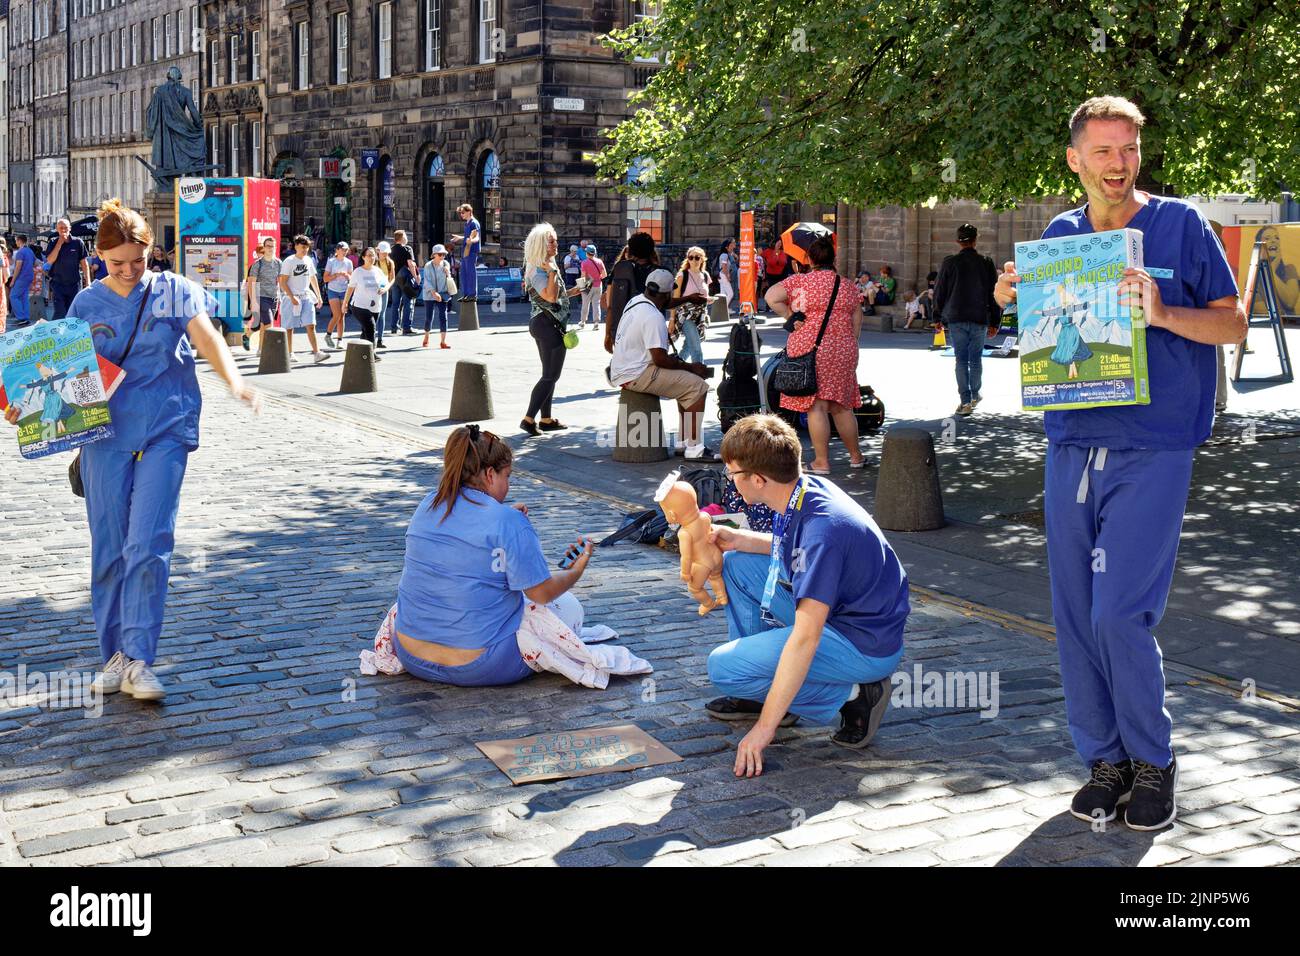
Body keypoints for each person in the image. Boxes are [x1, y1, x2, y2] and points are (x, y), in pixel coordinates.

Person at [995, 95, 1245, 831]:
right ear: (1074, 159)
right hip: (1071, 442)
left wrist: (1165, 312)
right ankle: (1105, 760)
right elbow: (1051, 334)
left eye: (1128, 149)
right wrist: (1015, 298)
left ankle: (1154, 759)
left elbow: (1232, 321)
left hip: (1155, 447)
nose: (1117, 164)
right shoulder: (1060, 235)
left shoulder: (1180, 224)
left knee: (1119, 614)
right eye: (1102, 151)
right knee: (1074, 615)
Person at [2, 199, 261, 702]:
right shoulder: (84, 306)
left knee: (149, 543)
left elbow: (208, 339)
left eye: (137, 262)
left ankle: (140, 657)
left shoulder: (175, 292)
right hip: (104, 436)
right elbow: (54, 380)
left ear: (150, 252)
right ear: (99, 258)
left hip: (166, 428)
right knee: (110, 546)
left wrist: (235, 383)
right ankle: (113, 655)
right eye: (116, 264)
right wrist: (23, 409)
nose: (127, 272)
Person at [705, 414, 909, 775]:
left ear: (758, 479)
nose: (730, 482)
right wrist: (740, 539)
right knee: (737, 563)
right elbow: (794, 548)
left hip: (864, 643)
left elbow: (805, 638)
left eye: (732, 474)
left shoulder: (822, 530)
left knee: (723, 667)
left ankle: (857, 696)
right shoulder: (801, 490)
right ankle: (767, 695)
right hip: (848, 618)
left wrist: (762, 731)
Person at [392, 425, 596, 686]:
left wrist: (504, 518)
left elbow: (464, 538)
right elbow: (541, 594)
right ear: (490, 474)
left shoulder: (428, 504)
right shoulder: (508, 521)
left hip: (411, 654)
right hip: (480, 664)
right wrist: (574, 572)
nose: (508, 484)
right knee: (568, 607)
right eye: (507, 476)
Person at [765, 236, 867, 473]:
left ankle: (821, 461)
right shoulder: (847, 285)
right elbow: (856, 319)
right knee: (842, 406)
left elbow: (771, 296)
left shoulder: (799, 282)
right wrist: (848, 344)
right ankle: (856, 456)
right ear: (833, 259)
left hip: (809, 350)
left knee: (817, 407)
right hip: (842, 349)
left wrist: (790, 315)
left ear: (809, 259)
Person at [609, 268, 718, 461]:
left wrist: (688, 298)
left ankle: (683, 442)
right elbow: (660, 358)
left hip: (622, 369)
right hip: (637, 374)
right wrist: (692, 367)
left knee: (684, 384)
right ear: (665, 293)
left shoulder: (636, 301)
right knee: (697, 386)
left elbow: (666, 302)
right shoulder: (653, 317)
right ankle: (694, 447)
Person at [520, 223, 584, 436]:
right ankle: (529, 419)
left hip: (545, 323)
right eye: (551, 241)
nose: (556, 244)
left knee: (549, 374)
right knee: (550, 376)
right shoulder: (539, 268)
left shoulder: (547, 266)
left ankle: (546, 419)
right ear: (541, 245)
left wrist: (577, 290)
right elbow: (549, 296)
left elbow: (556, 296)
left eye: (555, 240)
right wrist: (553, 272)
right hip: (547, 325)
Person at [934, 223, 999, 415]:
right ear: (975, 239)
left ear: (957, 241)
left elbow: (940, 292)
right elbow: (992, 294)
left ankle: (965, 400)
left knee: (961, 360)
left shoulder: (949, 263)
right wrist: (995, 321)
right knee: (976, 359)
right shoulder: (986, 263)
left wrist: (936, 317)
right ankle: (975, 394)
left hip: (956, 316)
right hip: (979, 316)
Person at [277, 234, 328, 364]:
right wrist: (291, 296)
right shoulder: (289, 261)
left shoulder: (309, 260)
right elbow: (282, 282)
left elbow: (313, 278)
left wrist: (319, 296)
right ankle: (289, 353)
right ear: (296, 247)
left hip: (306, 297)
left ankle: (317, 353)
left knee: (311, 325)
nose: (305, 250)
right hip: (291, 298)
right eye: (302, 247)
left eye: (307, 247)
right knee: (289, 327)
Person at [341, 247, 389, 360]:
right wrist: (345, 303)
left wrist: (384, 289)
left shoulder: (378, 271)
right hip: (359, 305)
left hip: (376, 306)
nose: (371, 258)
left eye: (373, 255)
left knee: (365, 330)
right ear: (363, 257)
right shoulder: (358, 272)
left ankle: (359, 354)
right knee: (371, 326)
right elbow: (350, 288)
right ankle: (372, 353)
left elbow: (384, 284)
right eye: (369, 255)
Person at [670, 246, 711, 365]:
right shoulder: (682, 276)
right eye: (691, 257)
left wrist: (709, 299)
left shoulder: (706, 275)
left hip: (701, 315)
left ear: (702, 259)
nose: (694, 260)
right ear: (688, 259)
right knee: (696, 348)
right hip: (686, 315)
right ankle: (700, 375)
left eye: (697, 257)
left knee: (688, 347)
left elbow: (705, 295)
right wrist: (672, 320)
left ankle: (675, 365)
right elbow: (675, 299)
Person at [244, 237, 282, 354]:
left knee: (263, 325)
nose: (271, 248)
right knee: (269, 324)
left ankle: (260, 349)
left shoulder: (279, 263)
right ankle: (268, 350)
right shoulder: (257, 264)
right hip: (261, 297)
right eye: (268, 246)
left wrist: (280, 295)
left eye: (273, 246)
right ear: (264, 248)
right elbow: (251, 284)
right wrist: (254, 302)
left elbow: (280, 281)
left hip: (274, 298)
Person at [420, 244, 454, 349]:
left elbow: (449, 279)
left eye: (444, 254)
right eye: (440, 254)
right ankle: (426, 336)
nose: (442, 256)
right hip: (430, 294)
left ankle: (443, 342)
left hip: (443, 293)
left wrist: (448, 273)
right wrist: (434, 293)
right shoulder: (428, 266)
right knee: (429, 317)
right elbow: (427, 281)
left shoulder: (446, 264)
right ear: (434, 255)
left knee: (443, 317)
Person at [322, 242, 354, 349]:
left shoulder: (349, 262)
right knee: (337, 315)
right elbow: (325, 278)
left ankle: (340, 341)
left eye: (346, 250)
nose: (345, 252)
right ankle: (328, 335)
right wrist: (336, 275)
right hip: (333, 290)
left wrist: (346, 275)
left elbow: (352, 278)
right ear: (337, 250)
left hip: (344, 290)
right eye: (342, 250)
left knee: (342, 317)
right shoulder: (331, 262)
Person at [387, 229, 419, 335]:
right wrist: (416, 277)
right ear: (402, 238)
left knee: (395, 303)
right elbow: (411, 264)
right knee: (408, 302)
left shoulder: (390, 250)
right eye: (405, 236)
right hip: (405, 280)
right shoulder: (407, 249)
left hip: (394, 279)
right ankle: (407, 327)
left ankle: (394, 327)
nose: (406, 238)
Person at [448, 203, 481, 300]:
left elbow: (477, 237)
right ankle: (466, 294)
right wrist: (460, 238)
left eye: (463, 212)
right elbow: (468, 237)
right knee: (464, 273)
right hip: (466, 250)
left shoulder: (474, 223)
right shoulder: (467, 223)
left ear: (469, 212)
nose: (461, 214)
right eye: (460, 213)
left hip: (471, 251)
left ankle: (472, 294)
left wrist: (472, 240)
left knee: (470, 272)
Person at [6, 234, 35, 328]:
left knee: (13, 296)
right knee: (23, 297)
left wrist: (13, 280)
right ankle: (25, 318)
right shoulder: (30, 251)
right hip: (29, 276)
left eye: (16, 240)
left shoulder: (20, 252)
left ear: (19, 240)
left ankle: (21, 318)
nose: (15, 242)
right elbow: (35, 263)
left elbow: (18, 267)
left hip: (22, 277)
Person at [577, 243, 606, 329]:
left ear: (586, 253)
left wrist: (588, 281)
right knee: (596, 304)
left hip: (587, 285)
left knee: (585, 304)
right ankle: (596, 323)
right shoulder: (600, 261)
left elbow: (583, 276)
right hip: (598, 285)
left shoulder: (584, 263)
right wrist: (597, 278)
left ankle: (583, 322)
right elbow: (604, 275)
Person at [374, 240, 396, 350]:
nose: (385, 255)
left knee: (382, 314)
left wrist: (387, 288)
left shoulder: (390, 262)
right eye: (383, 253)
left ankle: (380, 339)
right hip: (373, 291)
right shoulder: (373, 262)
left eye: (387, 253)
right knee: (373, 314)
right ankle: (371, 337)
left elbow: (392, 278)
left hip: (384, 290)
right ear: (378, 251)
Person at [716, 238, 738, 314]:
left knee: (723, 294)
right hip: (724, 275)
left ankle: (723, 310)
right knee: (730, 294)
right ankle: (723, 309)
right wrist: (727, 276)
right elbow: (724, 266)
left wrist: (733, 253)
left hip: (722, 275)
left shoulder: (726, 254)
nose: (733, 246)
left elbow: (735, 258)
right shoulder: (725, 255)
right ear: (726, 247)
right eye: (731, 245)